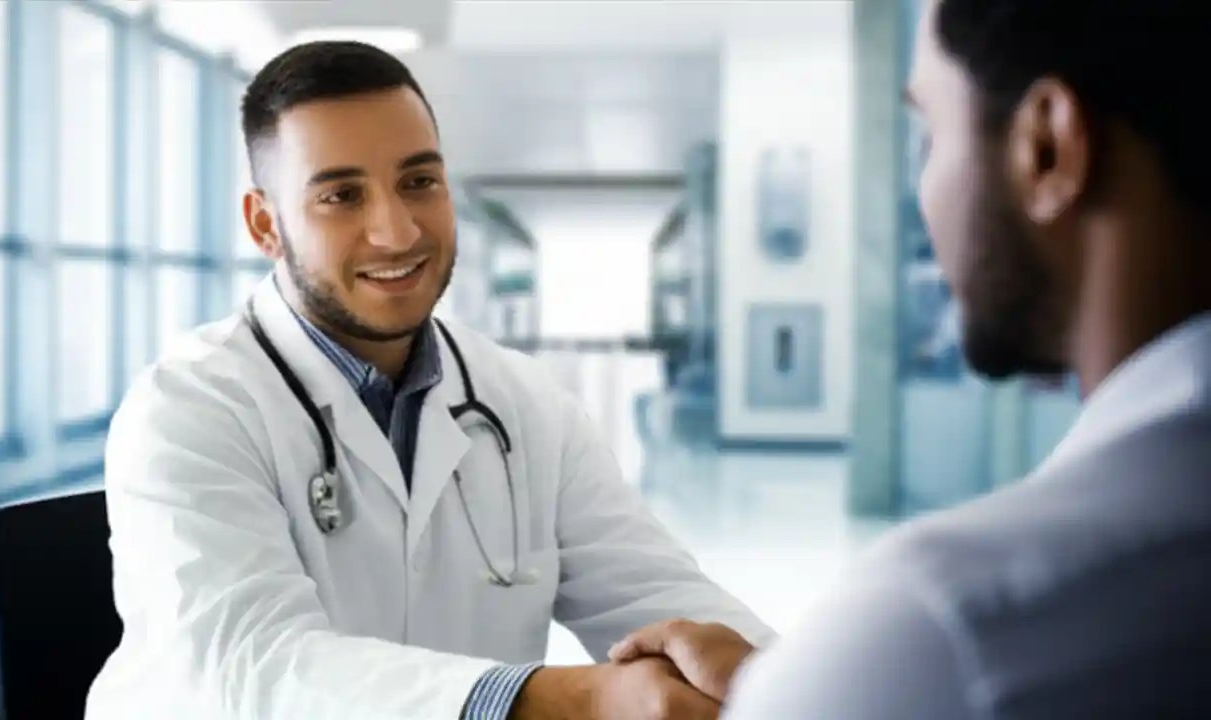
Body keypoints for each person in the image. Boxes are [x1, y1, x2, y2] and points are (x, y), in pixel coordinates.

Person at [85, 41, 772, 719]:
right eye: (341, 195)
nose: (395, 230)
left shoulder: (525, 405)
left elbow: (663, 595)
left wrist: (782, 677)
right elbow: (253, 667)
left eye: (419, 181)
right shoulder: (187, 409)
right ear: (267, 224)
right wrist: (577, 700)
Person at [610, 0, 1211, 717]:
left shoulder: (945, 627)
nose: (923, 201)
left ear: (1047, 146)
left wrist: (823, 687)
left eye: (930, 131)